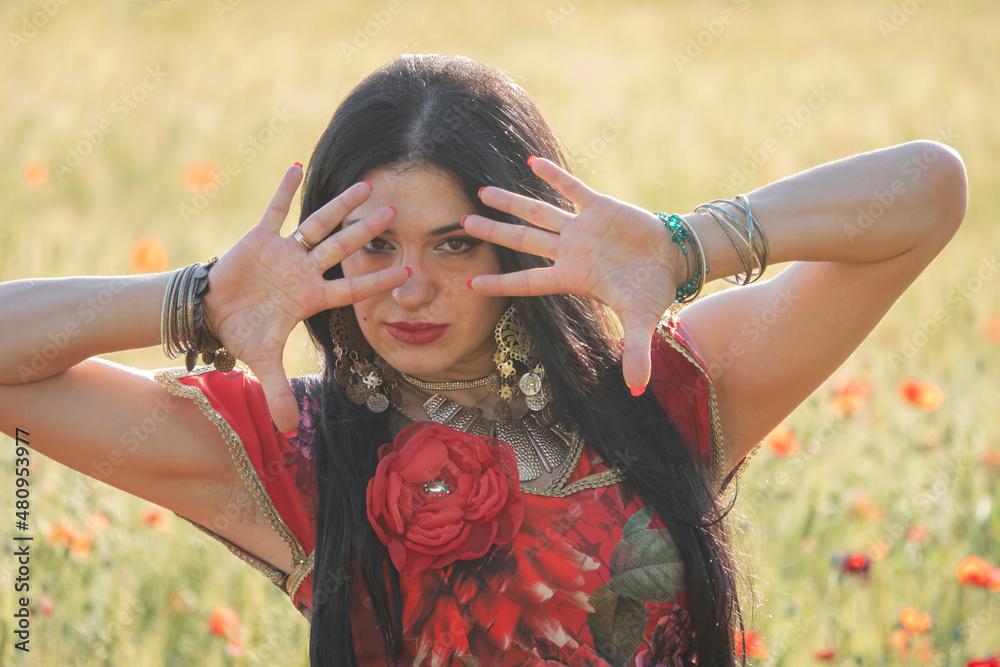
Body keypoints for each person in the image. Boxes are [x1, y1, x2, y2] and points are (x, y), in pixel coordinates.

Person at [0, 54, 967, 666]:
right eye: (374, 247)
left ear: (519, 243)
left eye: (453, 244)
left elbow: (926, 190)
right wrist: (198, 298)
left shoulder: (661, 390)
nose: (409, 286)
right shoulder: (296, 455)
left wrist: (684, 246)